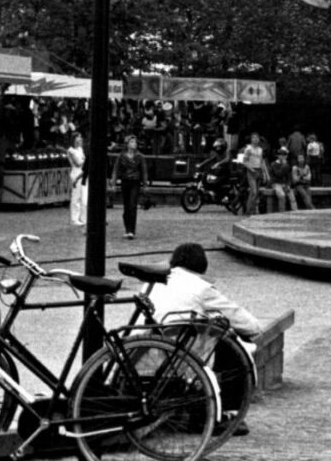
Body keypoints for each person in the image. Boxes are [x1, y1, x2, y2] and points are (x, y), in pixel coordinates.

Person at [146, 242, 260, 437]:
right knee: (231, 345)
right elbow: (250, 326)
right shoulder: (201, 288)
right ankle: (223, 413)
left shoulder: (152, 282)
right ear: (202, 267)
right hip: (176, 358)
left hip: (146, 353)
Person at [115, 135, 148, 239]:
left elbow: (144, 171)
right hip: (125, 182)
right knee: (126, 206)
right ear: (127, 144)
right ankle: (127, 228)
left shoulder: (140, 157)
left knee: (132, 205)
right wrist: (113, 181)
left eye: (135, 142)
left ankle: (131, 230)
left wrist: (145, 184)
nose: (135, 144)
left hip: (135, 182)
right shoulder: (121, 156)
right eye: (132, 142)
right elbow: (116, 169)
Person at [239, 135, 268, 215]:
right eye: (254, 138)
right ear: (251, 139)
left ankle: (253, 210)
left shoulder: (260, 149)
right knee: (254, 191)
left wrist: (265, 173)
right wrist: (251, 169)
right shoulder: (248, 149)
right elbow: (244, 161)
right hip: (251, 170)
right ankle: (248, 211)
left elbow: (262, 161)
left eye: (257, 138)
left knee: (255, 192)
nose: (256, 139)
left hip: (259, 170)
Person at [67, 132, 87, 227]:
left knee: (84, 196)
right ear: (74, 139)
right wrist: (85, 161)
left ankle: (83, 218)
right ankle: (74, 219)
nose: (80, 139)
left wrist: (84, 161)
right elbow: (77, 163)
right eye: (78, 138)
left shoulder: (80, 149)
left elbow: (83, 160)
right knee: (76, 196)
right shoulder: (70, 150)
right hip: (76, 173)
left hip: (83, 172)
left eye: (81, 138)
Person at [267, 148, 292, 212]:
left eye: (285, 155)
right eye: (282, 155)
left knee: (291, 196)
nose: (284, 157)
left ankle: (295, 211)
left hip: (284, 184)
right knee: (282, 195)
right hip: (275, 183)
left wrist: (288, 184)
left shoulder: (287, 165)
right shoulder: (274, 164)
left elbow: (289, 177)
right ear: (278, 156)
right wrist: (284, 165)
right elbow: (278, 174)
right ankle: (282, 212)